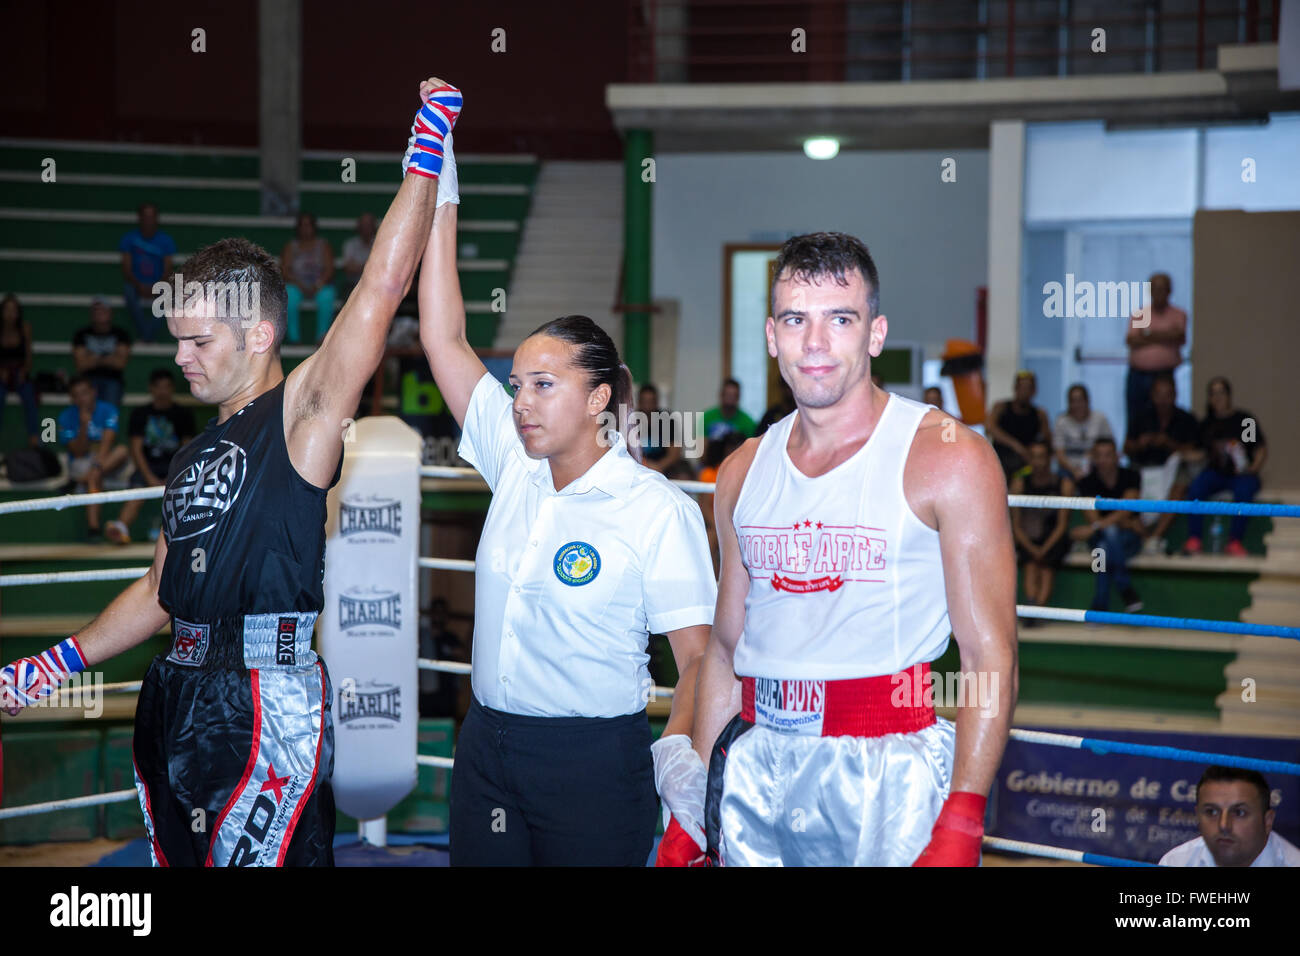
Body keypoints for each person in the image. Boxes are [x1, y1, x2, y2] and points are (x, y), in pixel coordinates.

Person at [0, 76, 462, 867]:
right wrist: (58, 660)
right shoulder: (189, 453)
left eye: (198, 341)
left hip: (264, 694)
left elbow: (381, 289)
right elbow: (157, 591)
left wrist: (428, 141)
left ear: (256, 335)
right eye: (176, 341)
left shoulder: (302, 413)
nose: (179, 359)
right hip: (172, 688)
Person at [415, 138, 717, 867]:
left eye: (543, 384)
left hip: (593, 763)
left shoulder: (655, 510)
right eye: (516, 383)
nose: (521, 401)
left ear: (600, 396)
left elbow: (700, 659)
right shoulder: (514, 462)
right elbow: (442, 335)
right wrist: (438, 176)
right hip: (486, 747)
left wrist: (683, 760)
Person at [672, 231, 1016, 867]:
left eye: (841, 319)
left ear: (875, 334)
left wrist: (964, 814)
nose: (816, 344)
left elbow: (987, 652)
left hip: (888, 771)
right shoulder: (744, 470)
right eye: (797, 319)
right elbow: (723, 651)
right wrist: (692, 806)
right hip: (756, 762)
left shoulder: (948, 457)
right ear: (772, 335)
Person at [1184, 376, 1268, 557]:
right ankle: (1194, 539)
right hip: (1215, 473)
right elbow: (1200, 452)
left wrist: (1254, 468)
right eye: (1213, 393)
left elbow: (1260, 448)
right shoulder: (1206, 424)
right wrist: (1181, 456)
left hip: (1241, 474)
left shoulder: (1245, 420)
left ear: (1229, 395)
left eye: (1221, 392)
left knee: (1245, 492)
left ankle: (1235, 541)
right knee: (1196, 488)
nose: (1217, 397)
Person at [1160, 766, 1300, 867]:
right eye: (1212, 812)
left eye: (1239, 813)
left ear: (1267, 821)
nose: (1223, 825)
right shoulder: (1176, 862)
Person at [1123, 374, 1199, 553]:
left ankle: (1155, 536)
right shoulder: (1141, 417)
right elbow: (1125, 447)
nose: (1163, 399)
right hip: (1142, 468)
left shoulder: (1186, 419)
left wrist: (1169, 443)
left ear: (1175, 395)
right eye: (1159, 394)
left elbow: (1196, 451)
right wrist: (1140, 443)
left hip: (1171, 470)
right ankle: (1140, 533)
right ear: (1152, 395)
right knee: (1126, 486)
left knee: (1182, 484)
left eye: (1168, 394)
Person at [1072, 438, 1143, 613]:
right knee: (1106, 540)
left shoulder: (1131, 475)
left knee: (1102, 550)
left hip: (1128, 539)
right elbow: (1093, 516)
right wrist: (1118, 522)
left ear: (1117, 456)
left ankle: (1099, 604)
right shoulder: (1086, 482)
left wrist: (1095, 528)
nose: (1104, 460)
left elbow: (1126, 508)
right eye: (1099, 456)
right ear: (1093, 458)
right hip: (1107, 537)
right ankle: (1125, 587)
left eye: (1108, 455)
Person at [125, 368, 196, 543]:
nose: (163, 391)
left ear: (172, 388)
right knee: (137, 490)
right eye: (159, 387)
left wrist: (173, 474)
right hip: (147, 465)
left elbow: (188, 449)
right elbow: (136, 449)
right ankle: (121, 527)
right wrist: (149, 477)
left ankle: (186, 535)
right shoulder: (140, 413)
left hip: (174, 465)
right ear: (151, 388)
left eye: (167, 387)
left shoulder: (183, 414)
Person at [58, 376, 130, 541]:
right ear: (72, 398)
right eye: (77, 395)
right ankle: (94, 528)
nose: (82, 398)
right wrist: (84, 425)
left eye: (85, 393)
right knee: (94, 478)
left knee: (121, 450)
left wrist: (97, 466)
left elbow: (107, 442)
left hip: (104, 459)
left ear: (94, 392)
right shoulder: (65, 416)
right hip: (81, 461)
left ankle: (93, 528)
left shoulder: (109, 409)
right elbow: (78, 452)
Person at [1010, 441, 1073, 626]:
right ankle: (1032, 607)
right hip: (1027, 537)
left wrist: (1043, 549)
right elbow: (1016, 525)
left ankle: (1038, 610)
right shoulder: (1020, 483)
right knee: (1030, 562)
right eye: (1033, 457)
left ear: (1049, 459)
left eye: (1041, 457)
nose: (1038, 462)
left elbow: (1062, 525)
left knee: (1046, 564)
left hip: (1054, 537)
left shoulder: (1064, 484)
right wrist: (1032, 547)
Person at [1125, 271, 1186, 436]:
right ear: (1150, 291)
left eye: (1163, 289)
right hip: (1139, 375)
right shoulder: (1140, 314)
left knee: (1165, 417)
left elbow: (1179, 337)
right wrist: (1165, 336)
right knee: (1136, 416)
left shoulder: (1178, 314)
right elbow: (1132, 340)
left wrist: (1148, 334)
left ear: (1169, 291)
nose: (1159, 293)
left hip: (1164, 374)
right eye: (1155, 289)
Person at [119, 201, 176, 342]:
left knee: (169, 295)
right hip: (135, 283)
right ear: (139, 218)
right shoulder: (129, 239)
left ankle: (146, 337)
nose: (148, 220)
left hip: (158, 283)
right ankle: (147, 336)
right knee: (128, 292)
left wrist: (156, 286)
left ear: (157, 218)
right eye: (145, 216)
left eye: (152, 216)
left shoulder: (166, 240)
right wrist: (139, 285)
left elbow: (168, 269)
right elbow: (126, 268)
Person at [281, 212, 337, 344]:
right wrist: (299, 284)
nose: (306, 228)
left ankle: (321, 338)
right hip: (296, 284)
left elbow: (330, 269)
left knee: (327, 296)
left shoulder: (323, 245)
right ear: (298, 227)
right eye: (303, 225)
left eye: (308, 225)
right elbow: (284, 270)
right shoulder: (291, 246)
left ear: (314, 227)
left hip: (320, 284)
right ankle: (294, 339)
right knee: (289, 295)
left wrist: (319, 284)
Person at [987, 371, 1051, 484]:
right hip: (1001, 461)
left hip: (1027, 465)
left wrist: (1033, 454)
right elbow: (990, 428)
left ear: (1034, 391)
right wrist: (1017, 446)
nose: (1025, 392)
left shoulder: (1039, 414)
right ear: (1015, 388)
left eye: (1028, 388)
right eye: (1022, 387)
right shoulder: (1001, 407)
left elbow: (1047, 440)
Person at [72, 297, 132, 412]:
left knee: (109, 409)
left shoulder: (121, 334)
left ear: (110, 312)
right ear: (91, 314)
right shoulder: (81, 334)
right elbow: (81, 364)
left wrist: (93, 358)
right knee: (83, 392)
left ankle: (108, 428)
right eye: (96, 310)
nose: (99, 313)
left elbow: (120, 363)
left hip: (113, 380)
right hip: (87, 380)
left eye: (103, 310)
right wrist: (109, 359)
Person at [0, 293, 40, 449]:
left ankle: (34, 439)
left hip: (19, 373)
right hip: (1, 375)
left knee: (30, 396)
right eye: (7, 310)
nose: (10, 314)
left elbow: (29, 357)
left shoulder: (25, 328)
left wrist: (24, 371)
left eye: (14, 310)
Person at [1053, 383, 1112, 482]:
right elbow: (1059, 454)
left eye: (1080, 400)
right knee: (1066, 484)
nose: (1077, 405)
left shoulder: (1100, 418)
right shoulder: (1061, 421)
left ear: (1087, 400)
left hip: (1096, 466)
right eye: (1073, 401)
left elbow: (1110, 447)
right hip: (1068, 468)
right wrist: (1074, 471)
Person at [635, 383, 683, 474]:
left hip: (664, 468)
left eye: (651, 402)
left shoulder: (667, 420)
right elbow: (626, 452)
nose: (647, 406)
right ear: (639, 402)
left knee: (683, 473)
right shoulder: (630, 421)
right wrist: (646, 466)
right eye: (645, 402)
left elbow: (675, 453)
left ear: (657, 402)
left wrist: (658, 467)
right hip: (638, 467)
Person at [702, 378, 756, 445]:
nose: (731, 399)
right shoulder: (705, 418)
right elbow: (700, 448)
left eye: (734, 395)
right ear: (721, 395)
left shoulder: (748, 423)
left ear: (739, 397)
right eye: (728, 395)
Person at [339, 212, 378, 301]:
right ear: (358, 226)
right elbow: (348, 269)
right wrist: (370, 266)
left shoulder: (380, 244)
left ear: (374, 226)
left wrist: (358, 266)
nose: (366, 228)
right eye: (363, 225)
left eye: (368, 225)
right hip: (353, 284)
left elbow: (382, 268)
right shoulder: (350, 244)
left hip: (376, 283)